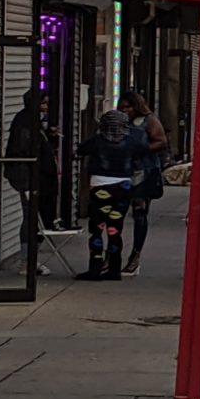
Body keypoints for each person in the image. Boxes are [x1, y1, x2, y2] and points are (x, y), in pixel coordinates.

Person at [77, 108, 148, 281]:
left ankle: (95, 268)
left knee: (97, 228)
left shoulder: (97, 141)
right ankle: (114, 269)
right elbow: (144, 151)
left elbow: (80, 150)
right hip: (123, 187)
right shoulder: (132, 142)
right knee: (115, 228)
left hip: (100, 186)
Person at [5, 92, 60, 275]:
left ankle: (31, 259)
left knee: (38, 219)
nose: (46, 107)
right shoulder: (25, 123)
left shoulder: (33, 122)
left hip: (39, 179)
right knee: (32, 219)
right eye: (43, 103)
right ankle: (26, 262)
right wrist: (26, 184)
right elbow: (22, 152)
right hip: (30, 179)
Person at [121, 92, 168, 278]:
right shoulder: (121, 121)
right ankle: (112, 255)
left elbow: (161, 142)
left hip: (144, 173)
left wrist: (141, 149)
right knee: (116, 214)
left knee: (139, 214)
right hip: (123, 172)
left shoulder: (149, 121)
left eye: (128, 107)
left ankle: (135, 256)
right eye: (122, 107)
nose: (124, 111)